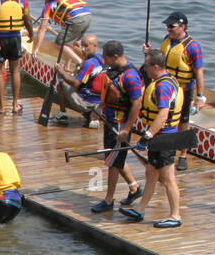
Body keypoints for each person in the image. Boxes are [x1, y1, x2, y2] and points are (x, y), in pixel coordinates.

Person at [121, 49, 185, 228]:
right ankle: (139, 210)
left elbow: (163, 115)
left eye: (147, 66)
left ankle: (175, 216)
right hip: (159, 137)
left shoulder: (163, 86)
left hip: (165, 138)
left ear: (155, 66)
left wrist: (147, 136)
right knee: (151, 173)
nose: (144, 69)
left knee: (167, 178)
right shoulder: (164, 80)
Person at [89, 41, 144, 214]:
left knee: (113, 162)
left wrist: (127, 129)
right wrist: (100, 108)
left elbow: (136, 104)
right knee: (113, 158)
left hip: (121, 123)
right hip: (110, 120)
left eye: (106, 58)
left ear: (116, 57)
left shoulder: (131, 76)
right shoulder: (114, 72)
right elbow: (109, 93)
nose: (104, 62)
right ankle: (134, 187)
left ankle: (108, 200)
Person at [148, 12, 206, 171]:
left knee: (183, 122)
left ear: (183, 27)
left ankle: (183, 155)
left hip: (183, 89)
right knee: (166, 118)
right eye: (167, 26)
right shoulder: (166, 41)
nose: (168, 29)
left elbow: (199, 72)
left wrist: (200, 97)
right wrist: (149, 53)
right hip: (166, 88)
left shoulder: (192, 47)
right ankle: (165, 148)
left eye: (171, 26)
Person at [31, 0, 92, 68]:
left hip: (76, 19)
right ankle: (67, 66)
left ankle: (82, 64)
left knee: (59, 44)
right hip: (88, 16)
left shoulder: (49, 5)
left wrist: (36, 48)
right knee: (69, 43)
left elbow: (42, 28)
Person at [51, 34, 104, 126]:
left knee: (61, 82)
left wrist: (61, 72)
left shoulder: (88, 63)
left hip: (87, 102)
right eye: (82, 46)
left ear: (95, 46)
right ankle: (93, 114)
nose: (83, 49)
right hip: (102, 103)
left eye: (86, 46)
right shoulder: (103, 59)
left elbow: (76, 84)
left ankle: (62, 114)